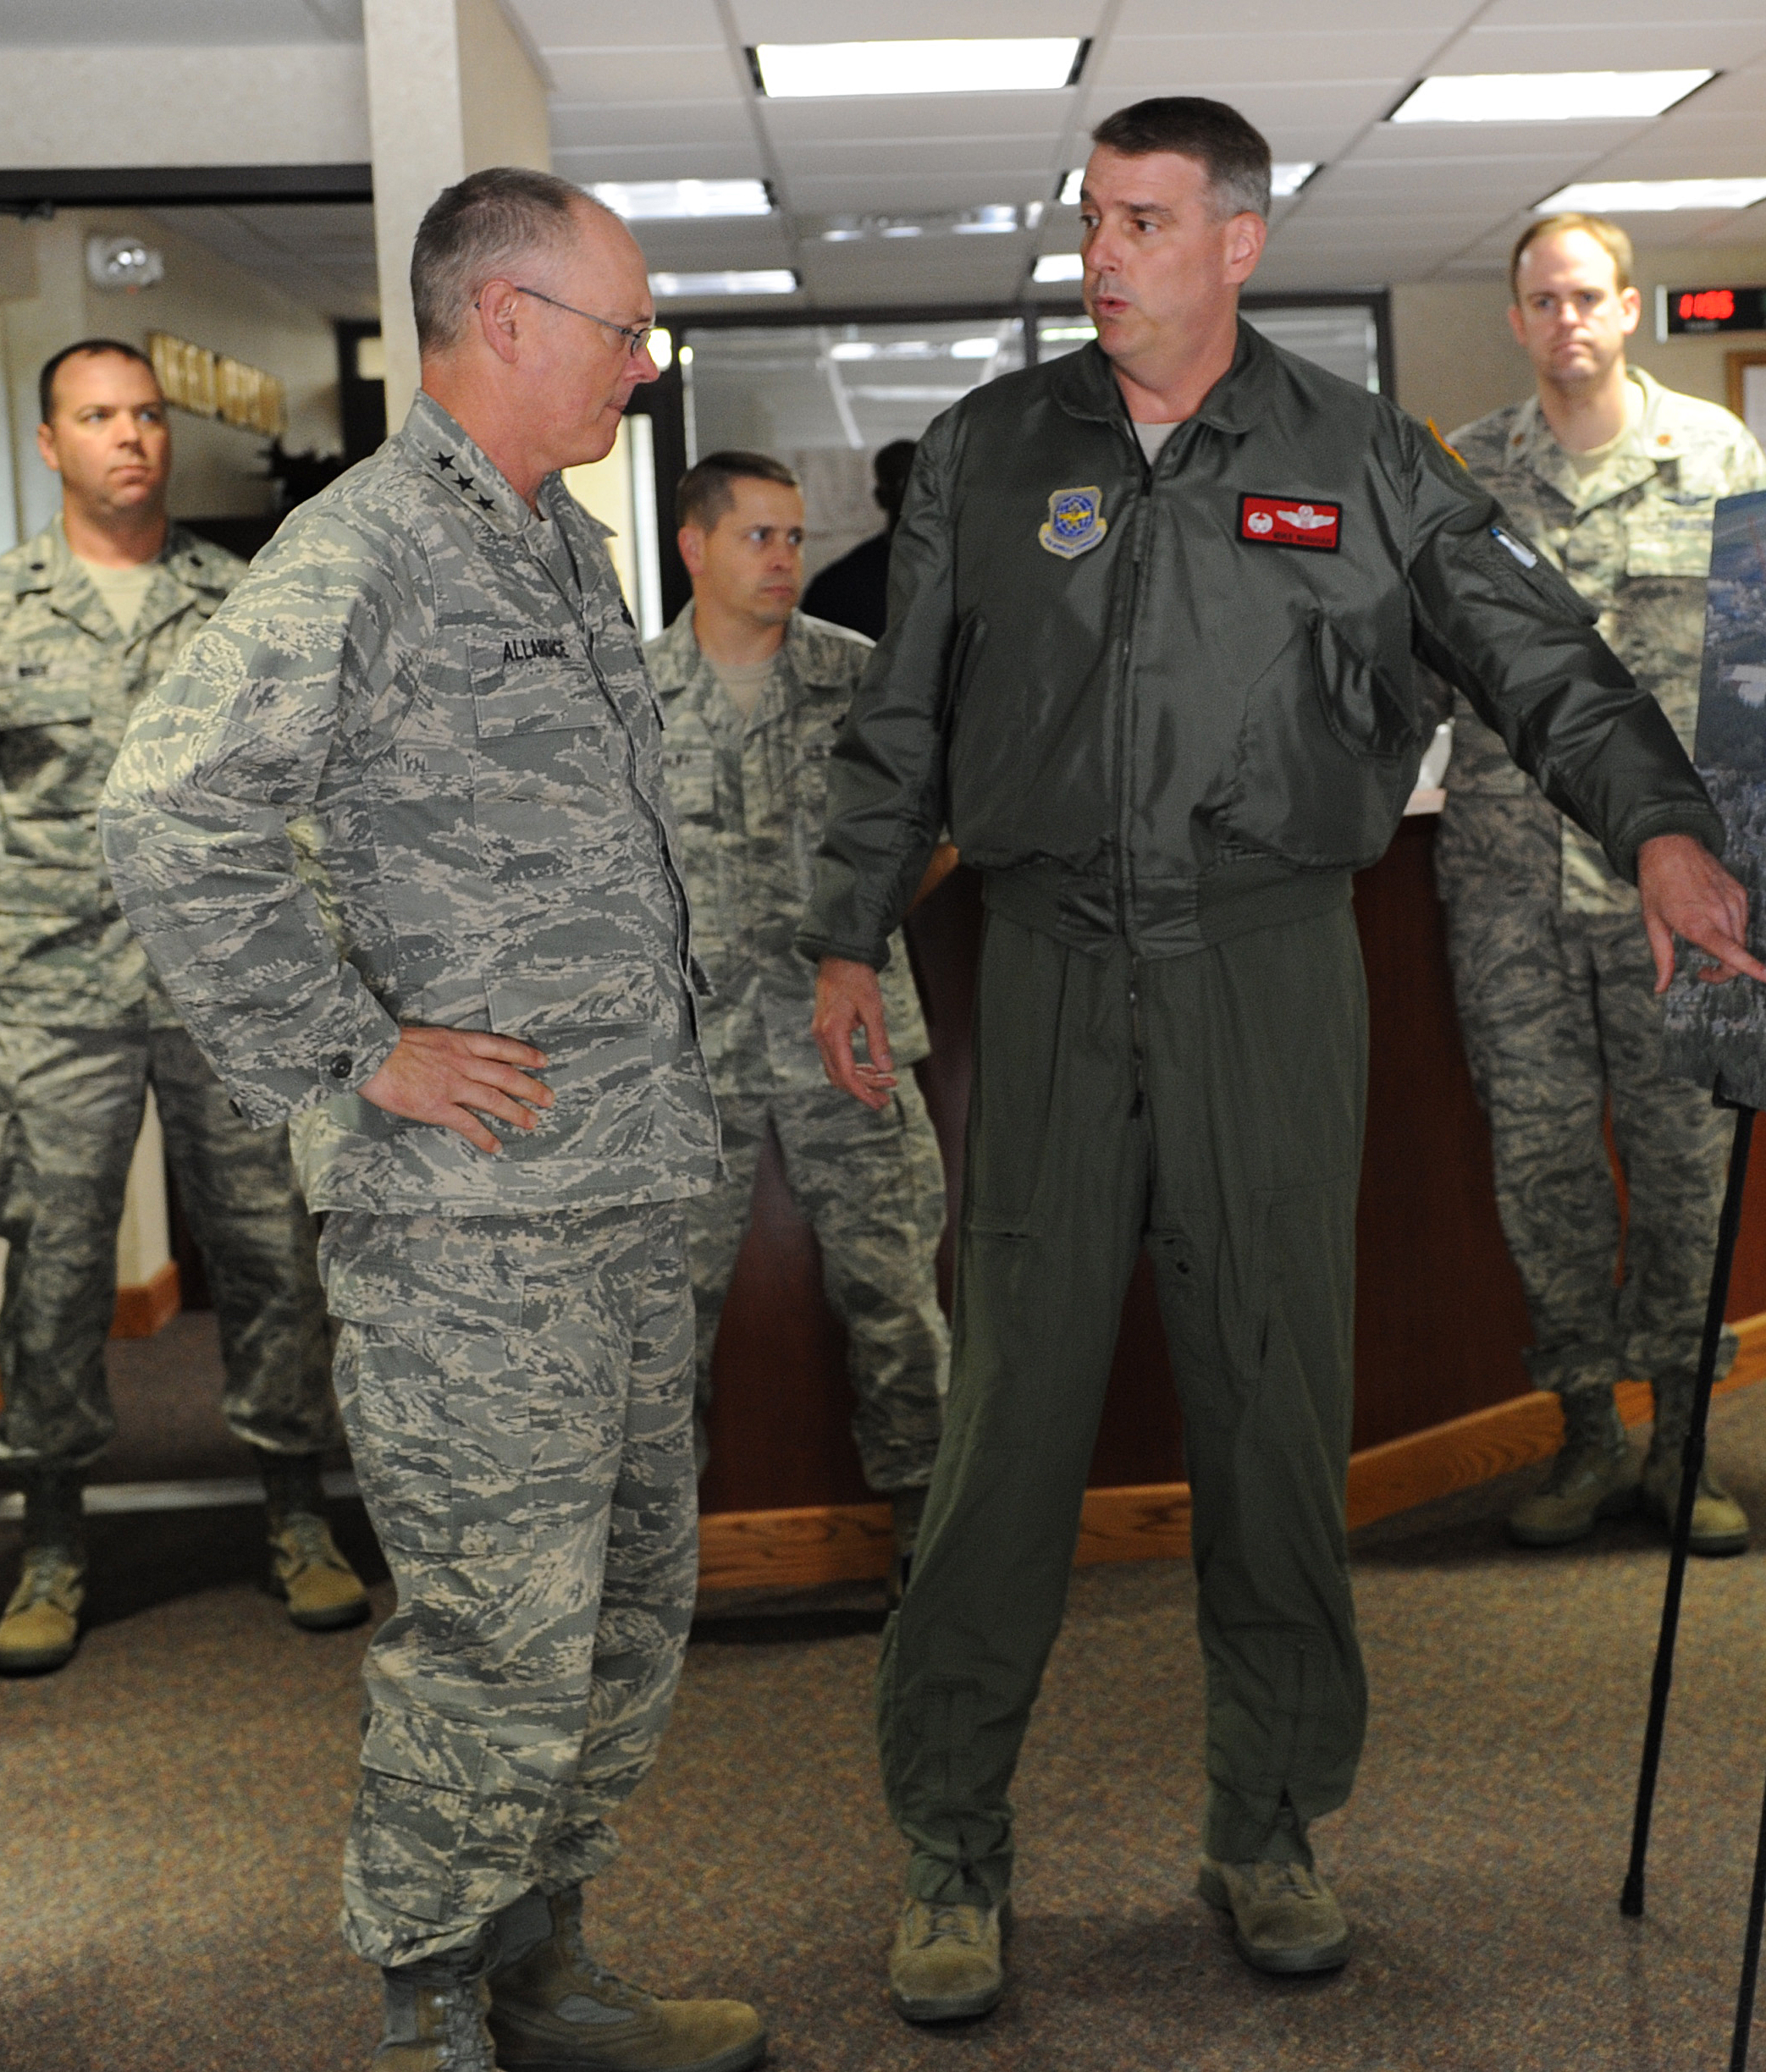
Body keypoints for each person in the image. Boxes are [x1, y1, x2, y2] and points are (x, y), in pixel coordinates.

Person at [801, 96, 1766, 2021]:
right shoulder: (994, 452)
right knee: (1008, 1418)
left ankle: (1267, 1822)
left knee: (1270, 1399)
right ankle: (952, 1842)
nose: (1105, 253)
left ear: (1237, 240)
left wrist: (1660, 819)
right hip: (1058, 965)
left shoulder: (1358, 458)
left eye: (1146, 221)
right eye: (1094, 219)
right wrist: (847, 925)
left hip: (1268, 965)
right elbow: (897, 718)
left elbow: (1540, 651)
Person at [101, 168, 764, 2072]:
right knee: (494, 1637)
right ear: (502, 320)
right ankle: (428, 2011)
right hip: (470, 1225)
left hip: (624, 1191)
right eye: (623, 330)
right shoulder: (364, 548)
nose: (643, 367)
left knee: (627, 1610)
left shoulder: (561, 544)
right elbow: (165, 812)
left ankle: (544, 1969)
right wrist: (345, 1046)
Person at [0, 339, 359, 1677]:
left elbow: (300, 793)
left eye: (145, 415)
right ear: (50, 446)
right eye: (96, 418)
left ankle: (294, 1509)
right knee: (53, 1263)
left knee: (269, 1251)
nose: (129, 438)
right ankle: (48, 1532)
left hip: (224, 987)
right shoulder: (8, 609)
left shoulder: (236, 605)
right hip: (51, 994)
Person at [1439, 215, 1766, 1557]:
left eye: (1587, 295)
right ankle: (1587, 1435)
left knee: (1687, 1165)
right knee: (1541, 1167)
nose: (1565, 319)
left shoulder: (1717, 459)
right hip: (1508, 890)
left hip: (1676, 896)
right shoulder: (1462, 476)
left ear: (1629, 309)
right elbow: (1408, 674)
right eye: (1541, 300)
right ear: (1516, 321)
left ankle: (1683, 1448)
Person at [648, 449, 950, 1573]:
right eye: (757, 537)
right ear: (695, 546)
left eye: (794, 537)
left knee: (895, 1298)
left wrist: (854, 928)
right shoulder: (628, 697)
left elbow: (942, 828)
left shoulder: (864, 679)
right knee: (663, 1322)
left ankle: (931, 1541)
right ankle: (656, 1568)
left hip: (850, 1043)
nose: (784, 558)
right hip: (692, 1059)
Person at [797, 438, 917, 640]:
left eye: (930, 483)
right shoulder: (838, 588)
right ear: (881, 497)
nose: (920, 495)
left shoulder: (974, 574)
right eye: (906, 483)